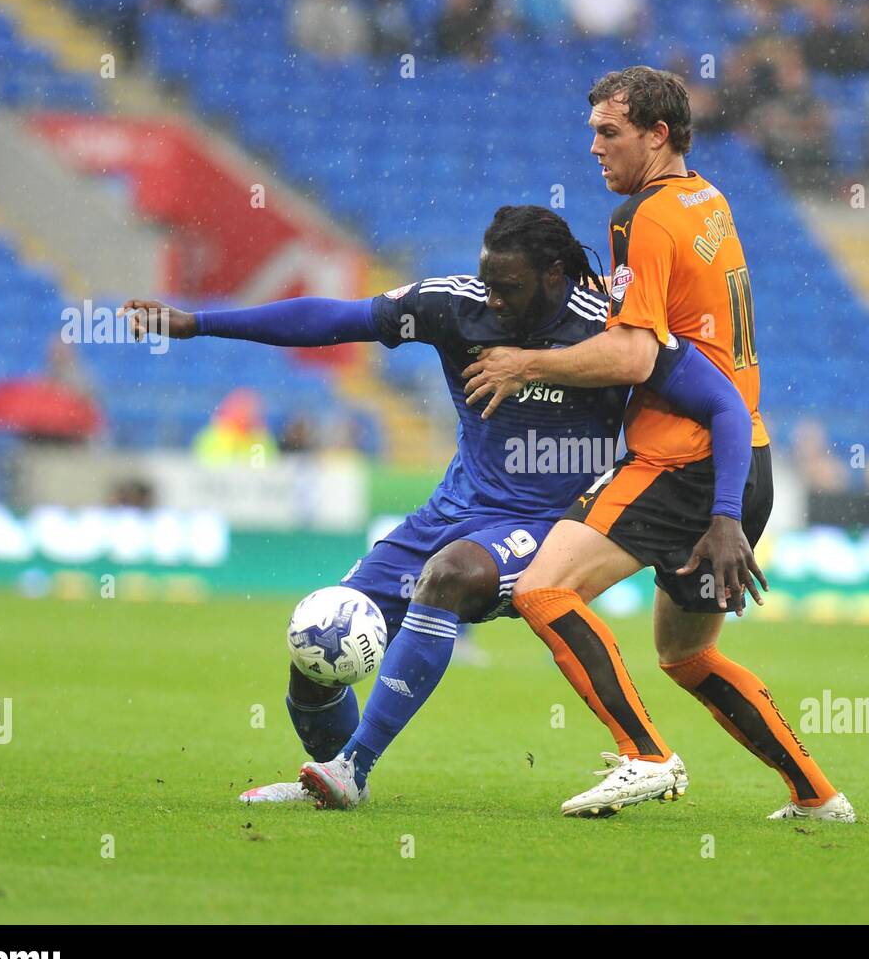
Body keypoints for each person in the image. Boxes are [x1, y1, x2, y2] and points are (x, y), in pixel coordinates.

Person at [121, 205, 755, 809]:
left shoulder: (611, 329)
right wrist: (199, 322)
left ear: (554, 276)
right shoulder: (454, 306)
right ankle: (341, 776)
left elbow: (724, 404)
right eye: (488, 281)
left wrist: (726, 513)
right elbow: (334, 319)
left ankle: (352, 769)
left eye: (508, 286)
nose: (494, 298)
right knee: (318, 641)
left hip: (549, 527)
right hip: (452, 510)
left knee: (449, 576)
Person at [463, 67, 855, 822]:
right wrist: (727, 512)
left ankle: (646, 756)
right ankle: (818, 796)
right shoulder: (709, 198)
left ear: (658, 134)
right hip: (743, 462)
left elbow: (636, 355)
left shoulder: (640, 217)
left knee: (543, 589)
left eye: (609, 133)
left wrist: (527, 363)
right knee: (685, 655)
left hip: (680, 461)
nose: (595, 148)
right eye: (593, 133)